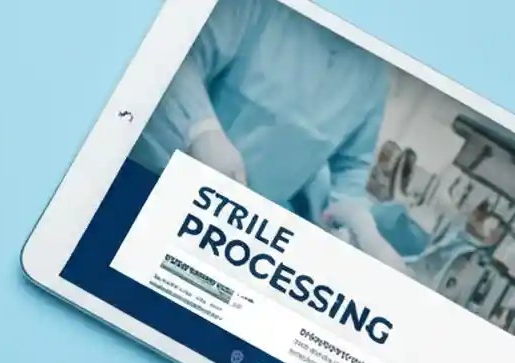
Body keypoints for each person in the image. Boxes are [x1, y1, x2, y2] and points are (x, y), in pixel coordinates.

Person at [133, 0, 410, 274]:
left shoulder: (373, 74)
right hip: (153, 180)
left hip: (238, 231)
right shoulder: (263, 9)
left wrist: (369, 235)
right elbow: (180, 56)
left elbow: (350, 168)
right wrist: (202, 129)